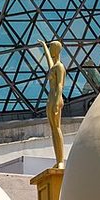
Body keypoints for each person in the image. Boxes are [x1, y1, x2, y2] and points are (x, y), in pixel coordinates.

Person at [38, 39, 66, 167]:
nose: (49, 50)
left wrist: (58, 100)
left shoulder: (60, 67)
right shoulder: (53, 66)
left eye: (51, 48)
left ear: (56, 50)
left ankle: (60, 161)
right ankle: (57, 159)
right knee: (53, 130)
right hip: (50, 98)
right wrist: (44, 45)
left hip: (55, 98)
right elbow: (49, 60)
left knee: (57, 128)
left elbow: (60, 84)